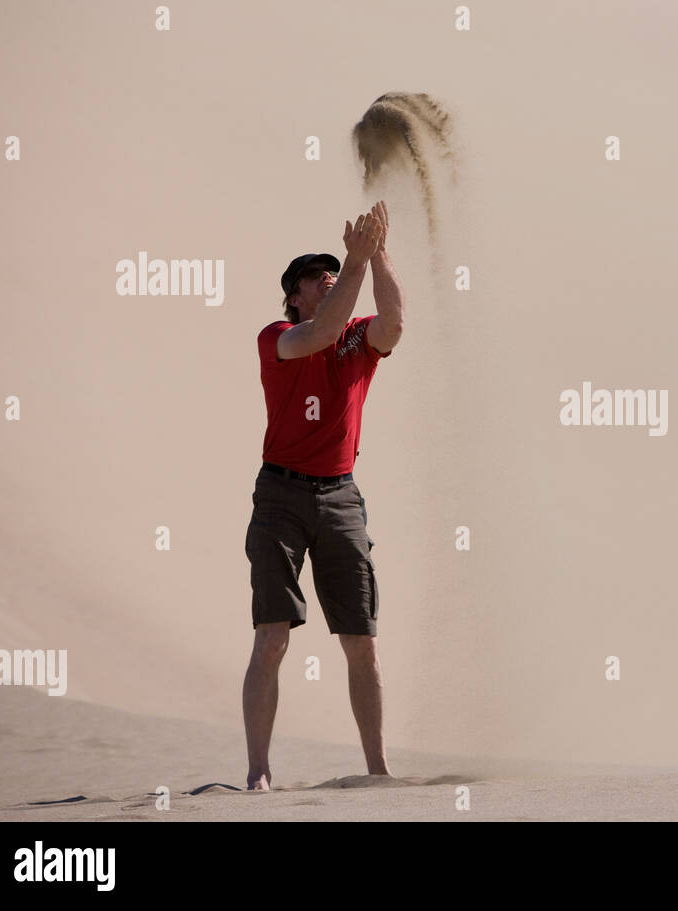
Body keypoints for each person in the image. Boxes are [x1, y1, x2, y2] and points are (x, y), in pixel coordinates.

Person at [242, 202, 403, 790]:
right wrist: (357, 262)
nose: (327, 277)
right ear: (293, 295)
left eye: (331, 270)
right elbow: (322, 331)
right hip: (281, 495)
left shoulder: (357, 341)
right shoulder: (280, 337)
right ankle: (258, 773)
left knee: (361, 640)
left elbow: (392, 325)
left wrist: (378, 254)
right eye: (315, 276)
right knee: (273, 636)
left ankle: (378, 769)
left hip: (341, 497)